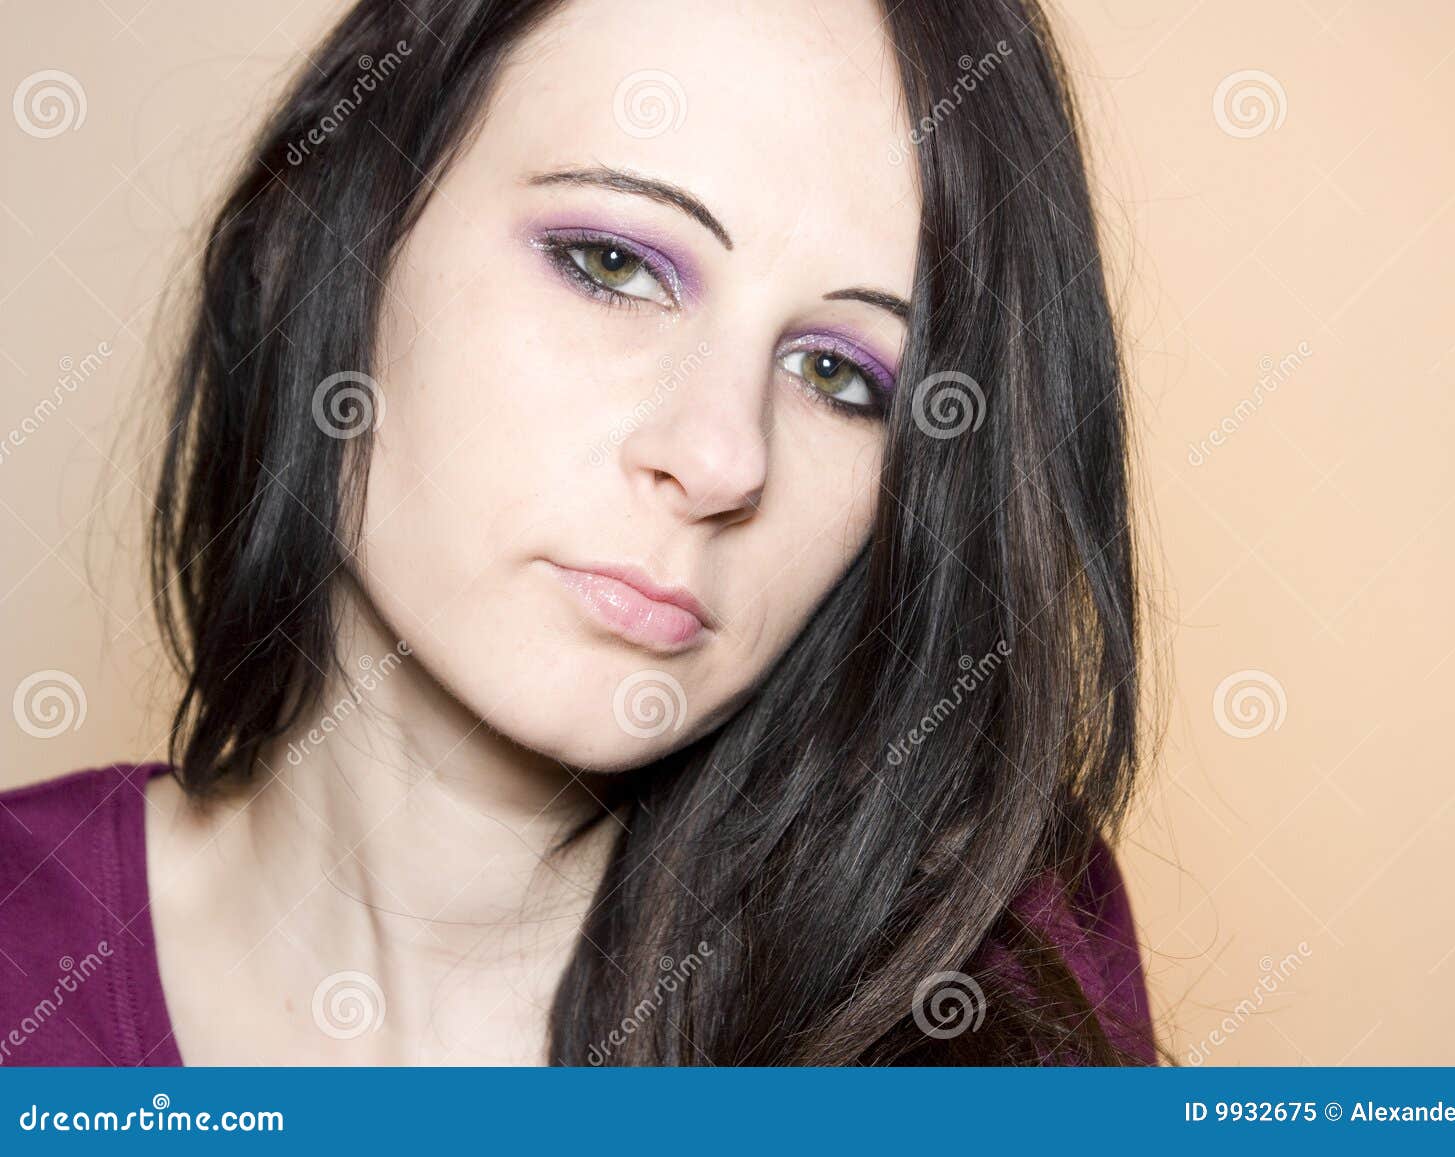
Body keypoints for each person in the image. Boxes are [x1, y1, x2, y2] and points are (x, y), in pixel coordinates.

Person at [0, 0, 1156, 1066]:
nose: (720, 458)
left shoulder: (999, 973)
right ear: (318, 242)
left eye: (839, 373)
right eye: (612, 264)